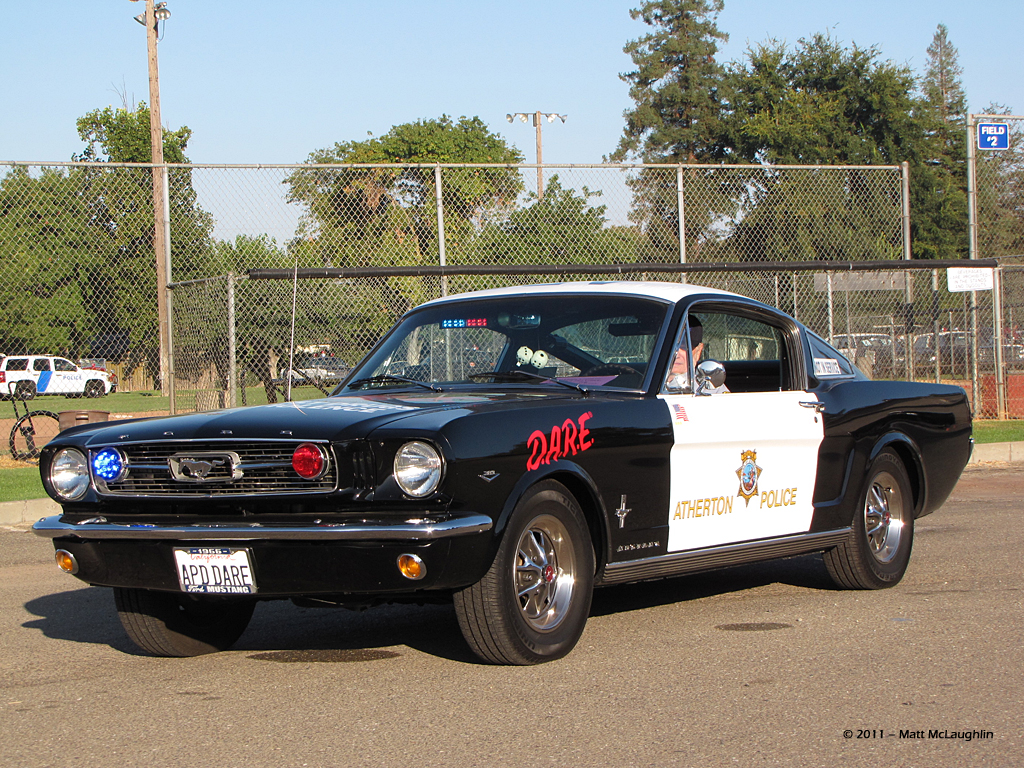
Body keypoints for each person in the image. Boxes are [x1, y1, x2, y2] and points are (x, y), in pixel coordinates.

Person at [664, 316, 728, 394]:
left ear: (698, 351)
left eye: (685, 347)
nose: (676, 353)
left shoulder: (711, 388)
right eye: (670, 346)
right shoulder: (645, 382)